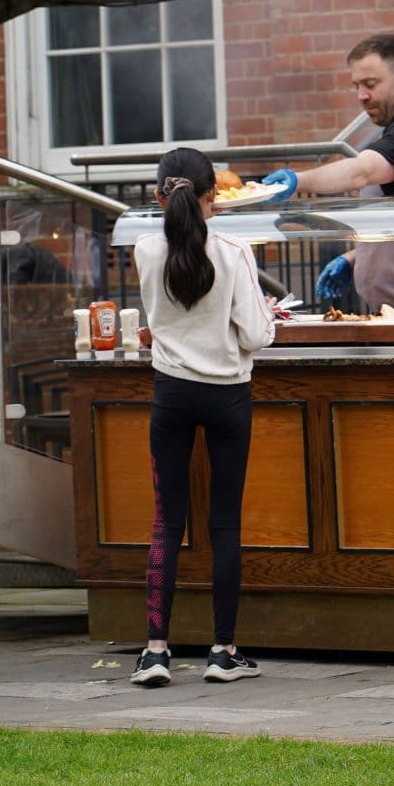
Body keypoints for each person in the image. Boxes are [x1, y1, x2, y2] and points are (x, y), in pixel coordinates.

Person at [131, 147, 277, 688]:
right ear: (213, 195)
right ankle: (222, 651)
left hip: (170, 392)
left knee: (168, 517)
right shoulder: (235, 253)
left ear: (157, 196)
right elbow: (258, 334)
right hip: (227, 395)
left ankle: (154, 651)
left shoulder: (145, 250)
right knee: (224, 521)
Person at [261, 33, 394, 313]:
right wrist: (354, 259)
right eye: (357, 86)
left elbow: (361, 171)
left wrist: (298, 180)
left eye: (370, 84)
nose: (361, 95)